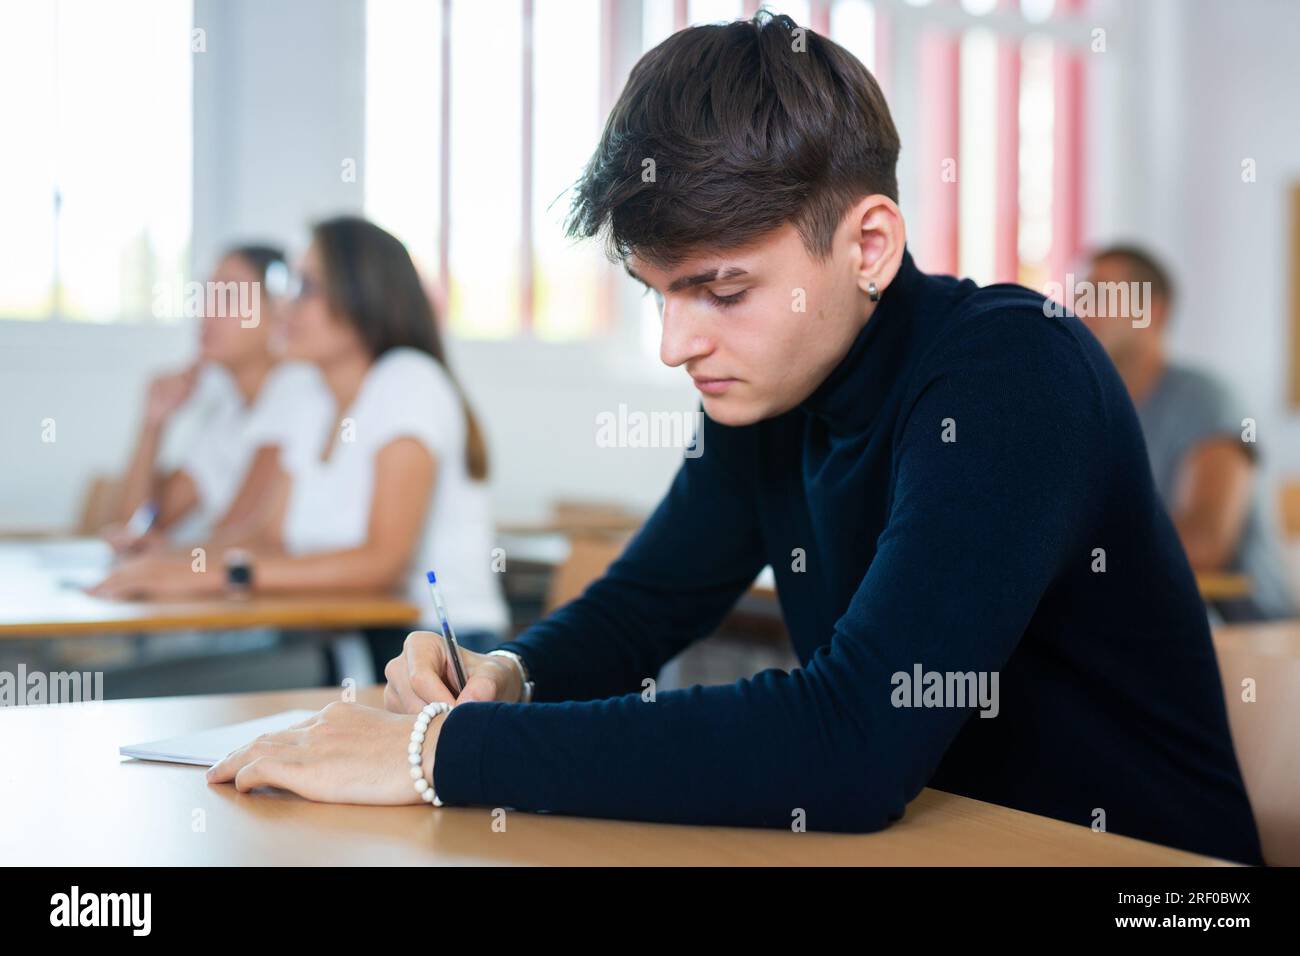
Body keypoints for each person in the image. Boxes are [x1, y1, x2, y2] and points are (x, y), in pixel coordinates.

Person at [206, 13, 1261, 864]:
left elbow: (851, 743)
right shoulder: (768, 390)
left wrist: (439, 750)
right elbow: (641, 606)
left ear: (870, 244)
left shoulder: (1012, 372)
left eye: (719, 289)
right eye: (655, 294)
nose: (673, 343)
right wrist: (505, 674)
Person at [92, 217, 509, 676]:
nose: (285, 307)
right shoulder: (316, 398)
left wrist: (219, 575)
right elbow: (266, 536)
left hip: (445, 656)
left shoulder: (408, 381)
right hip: (352, 647)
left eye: (306, 288)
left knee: (143, 684)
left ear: (363, 300)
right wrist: (168, 563)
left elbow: (383, 562)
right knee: (157, 685)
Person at [1078, 244, 1295, 621]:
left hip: (1247, 631)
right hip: (1152, 621)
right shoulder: (1093, 412)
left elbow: (1206, 543)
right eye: (1081, 294)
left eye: (1100, 293)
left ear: (1153, 311)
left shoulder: (1206, 400)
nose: (1083, 309)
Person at [105, 244, 319, 551]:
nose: (207, 312)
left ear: (278, 312)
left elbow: (241, 532)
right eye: (206, 296)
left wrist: (166, 554)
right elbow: (134, 526)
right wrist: (153, 424)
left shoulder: (296, 387)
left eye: (229, 297)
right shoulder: (228, 410)